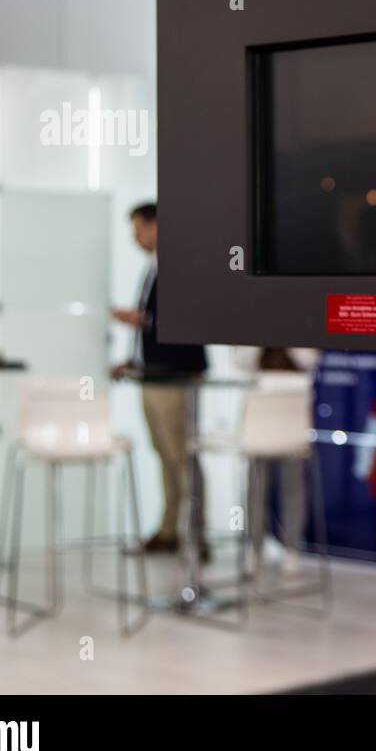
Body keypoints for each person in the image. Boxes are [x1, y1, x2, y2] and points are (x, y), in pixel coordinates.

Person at [110, 202, 209, 559]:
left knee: (182, 456)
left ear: (156, 226)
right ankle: (169, 531)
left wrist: (141, 320)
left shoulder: (182, 266)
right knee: (165, 455)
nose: (135, 238)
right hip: (153, 374)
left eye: (138, 229)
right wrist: (133, 360)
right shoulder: (152, 269)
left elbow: (183, 319)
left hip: (175, 377)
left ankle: (196, 534)